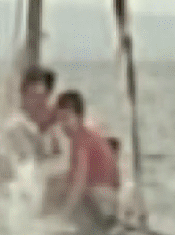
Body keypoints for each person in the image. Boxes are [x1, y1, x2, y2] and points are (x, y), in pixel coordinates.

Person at [47, 90, 120, 226]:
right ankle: (50, 218)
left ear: (80, 117)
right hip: (107, 198)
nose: (63, 125)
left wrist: (64, 216)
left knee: (58, 184)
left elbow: (79, 181)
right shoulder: (87, 135)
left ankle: (53, 220)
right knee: (57, 180)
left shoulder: (81, 140)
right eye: (60, 120)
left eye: (66, 118)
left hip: (102, 201)